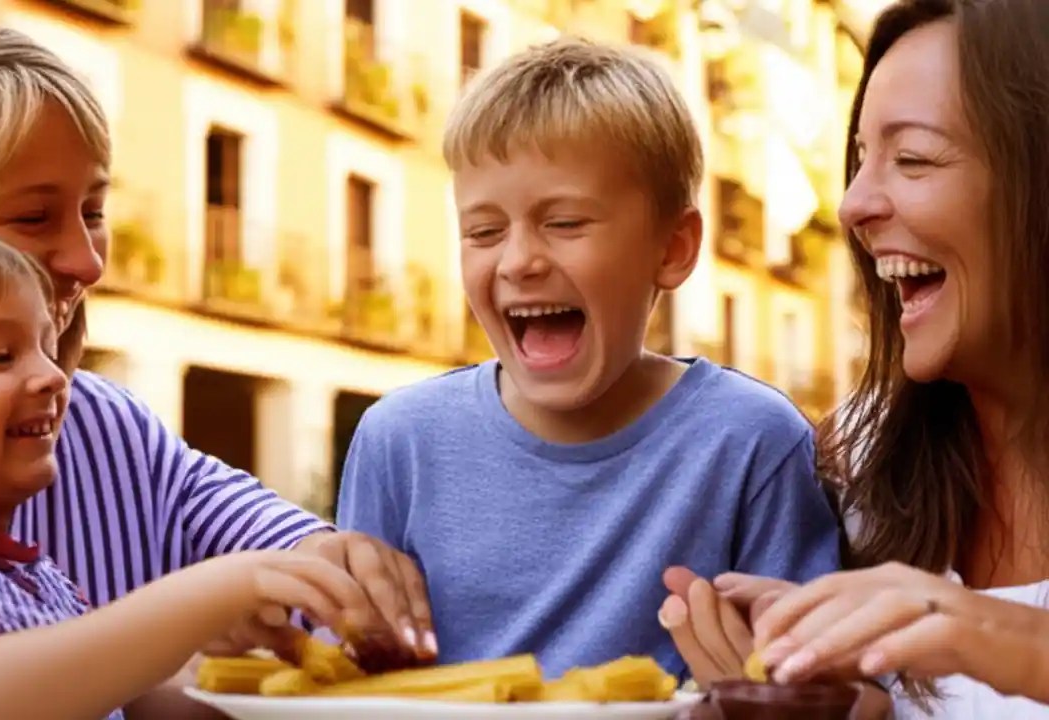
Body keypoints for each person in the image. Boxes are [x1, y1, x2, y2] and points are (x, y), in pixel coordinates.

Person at [0, 16, 431, 719]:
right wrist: (215, 595)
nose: (87, 260)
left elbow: (293, 567)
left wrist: (339, 580)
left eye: (94, 210)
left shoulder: (96, 426)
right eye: (33, 218)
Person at [334, 37, 841, 682]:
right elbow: (344, 670)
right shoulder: (398, 440)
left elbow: (818, 683)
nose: (518, 261)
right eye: (484, 231)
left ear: (674, 248)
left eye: (566, 222)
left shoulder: (753, 442)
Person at [0, 222, 384, 719]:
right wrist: (214, 590)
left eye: (44, 345)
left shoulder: (31, 577)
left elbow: (118, 701)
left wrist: (243, 681)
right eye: (0, 355)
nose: (52, 375)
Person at [663, 0, 1049, 714]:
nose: (852, 205)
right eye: (861, 159)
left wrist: (995, 636)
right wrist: (845, 701)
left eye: (913, 158)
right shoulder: (861, 465)